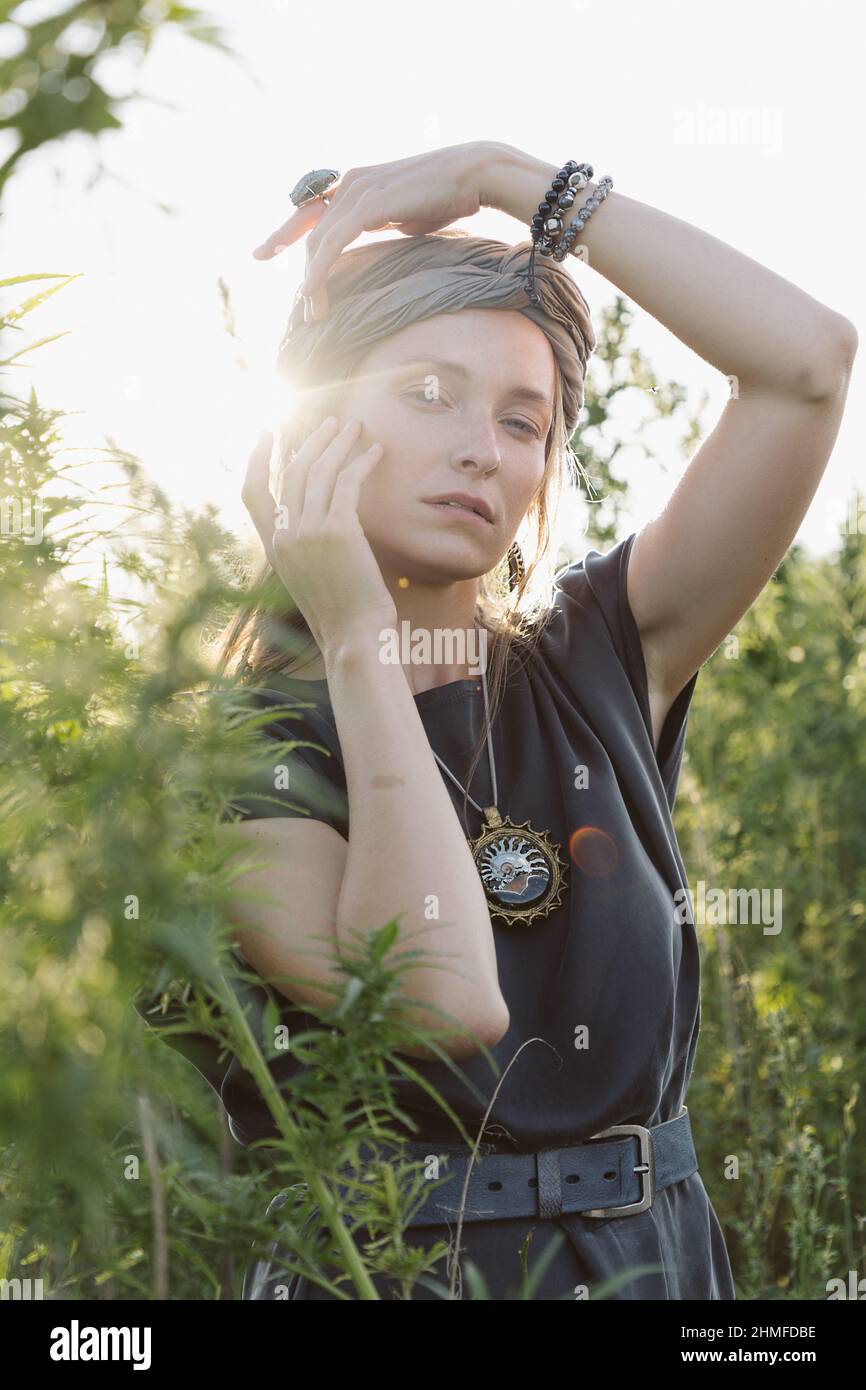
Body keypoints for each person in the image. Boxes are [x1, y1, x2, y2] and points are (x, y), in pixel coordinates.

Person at [139, 142, 857, 1300]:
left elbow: (808, 365)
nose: (482, 444)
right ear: (305, 433)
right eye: (428, 395)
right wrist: (359, 645)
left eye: (523, 422)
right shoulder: (236, 756)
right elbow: (442, 996)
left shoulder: (603, 653)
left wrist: (503, 178)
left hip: (659, 1270)